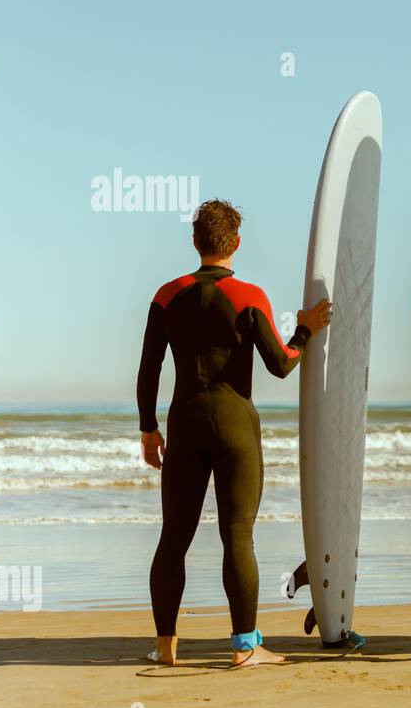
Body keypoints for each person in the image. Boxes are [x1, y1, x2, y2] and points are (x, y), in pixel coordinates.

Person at [137, 199, 331, 667]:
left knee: (173, 537)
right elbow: (282, 364)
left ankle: (166, 646)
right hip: (236, 429)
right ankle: (246, 647)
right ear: (236, 243)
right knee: (238, 537)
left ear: (195, 241)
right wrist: (304, 330)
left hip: (184, 424)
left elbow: (149, 369)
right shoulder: (248, 296)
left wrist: (148, 428)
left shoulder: (166, 295)